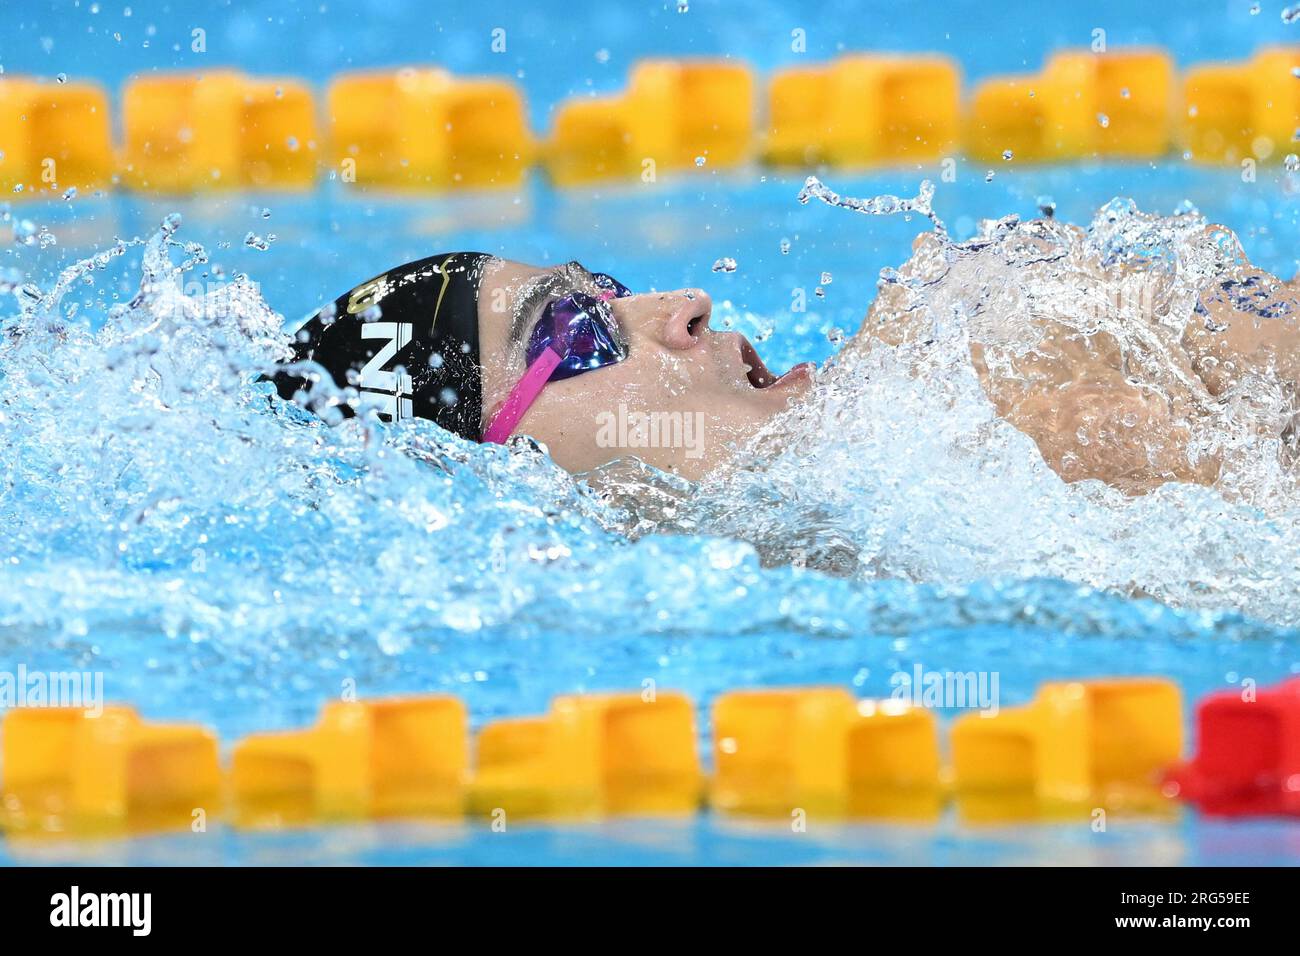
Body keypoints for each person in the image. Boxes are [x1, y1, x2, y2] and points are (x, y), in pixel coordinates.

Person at [271, 244, 1300, 493]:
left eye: (611, 288)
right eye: (579, 335)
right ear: (491, 478)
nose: (682, 305)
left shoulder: (987, 340)